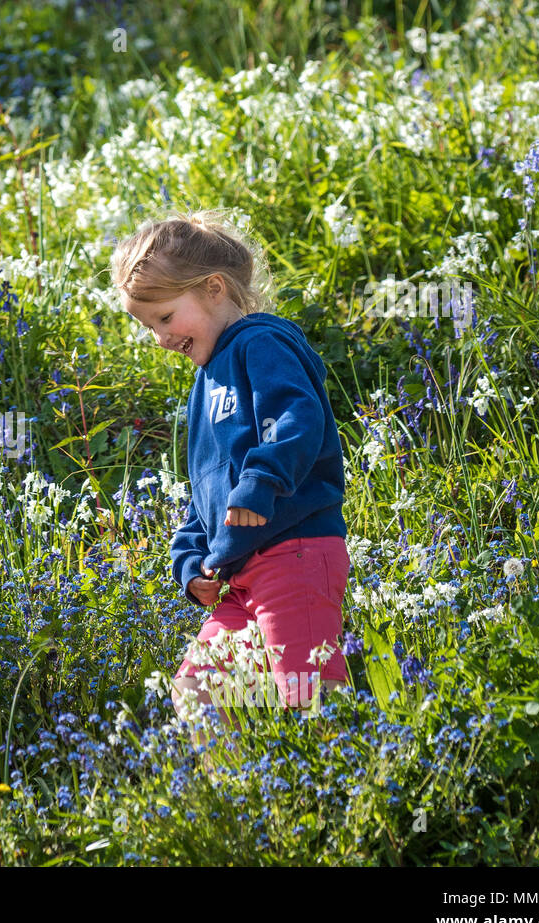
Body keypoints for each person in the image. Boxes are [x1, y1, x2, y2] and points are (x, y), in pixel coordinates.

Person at [109, 208, 351, 742]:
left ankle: (340, 805)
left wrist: (261, 480)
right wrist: (190, 557)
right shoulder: (204, 384)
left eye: (166, 318)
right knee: (195, 692)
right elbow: (208, 486)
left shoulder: (261, 343)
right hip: (237, 576)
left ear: (214, 288)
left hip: (295, 551)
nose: (159, 338)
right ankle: (237, 803)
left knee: (307, 697)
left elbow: (297, 417)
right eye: (148, 326)